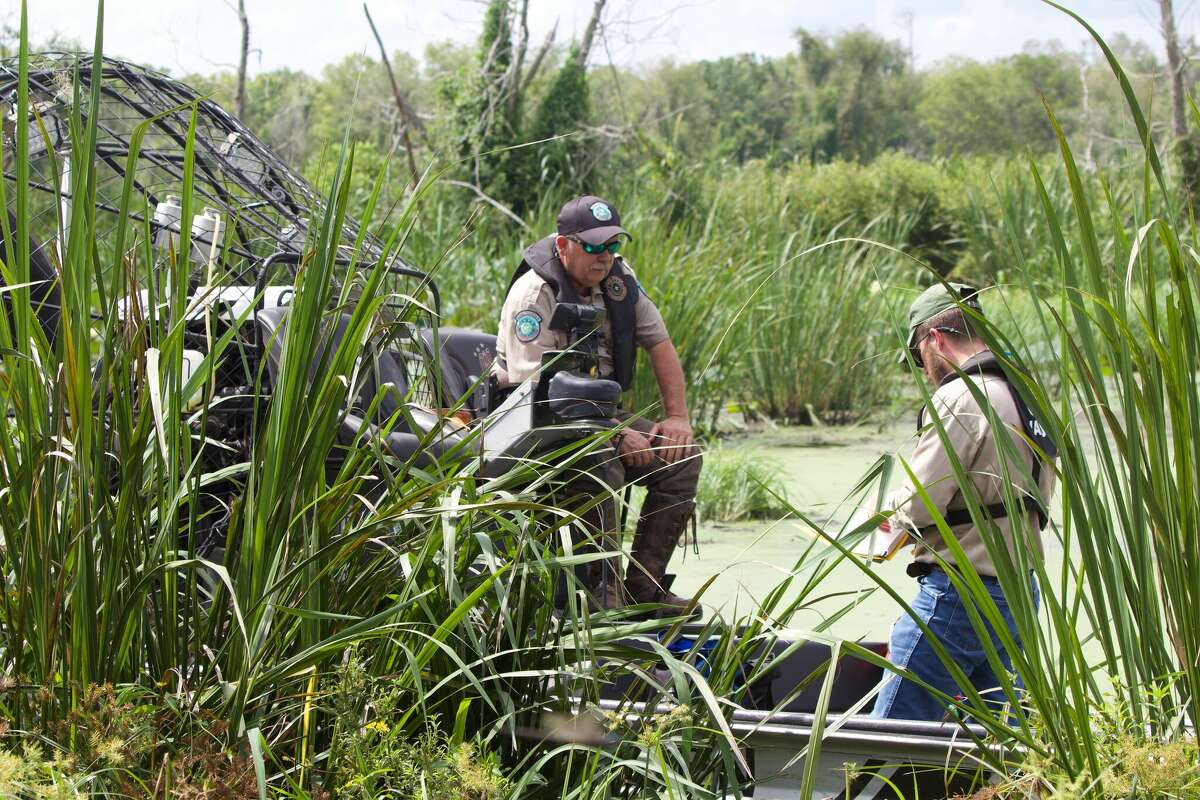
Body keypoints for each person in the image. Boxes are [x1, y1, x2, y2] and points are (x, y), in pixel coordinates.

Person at [493, 194, 702, 612]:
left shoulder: (619, 281)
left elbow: (660, 344)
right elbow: (535, 389)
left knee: (683, 458)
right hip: (533, 419)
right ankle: (600, 595)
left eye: (611, 244)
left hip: (600, 413)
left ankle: (643, 588)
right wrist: (616, 434)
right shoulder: (534, 294)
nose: (604, 255)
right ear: (563, 245)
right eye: (591, 246)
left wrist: (677, 417)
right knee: (600, 460)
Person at [871, 283, 1057, 721]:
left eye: (919, 357)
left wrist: (881, 521)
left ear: (934, 339)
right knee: (993, 737)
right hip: (1019, 594)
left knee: (890, 731)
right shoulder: (1025, 394)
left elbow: (919, 505)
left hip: (961, 595)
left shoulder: (960, 397)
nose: (924, 371)